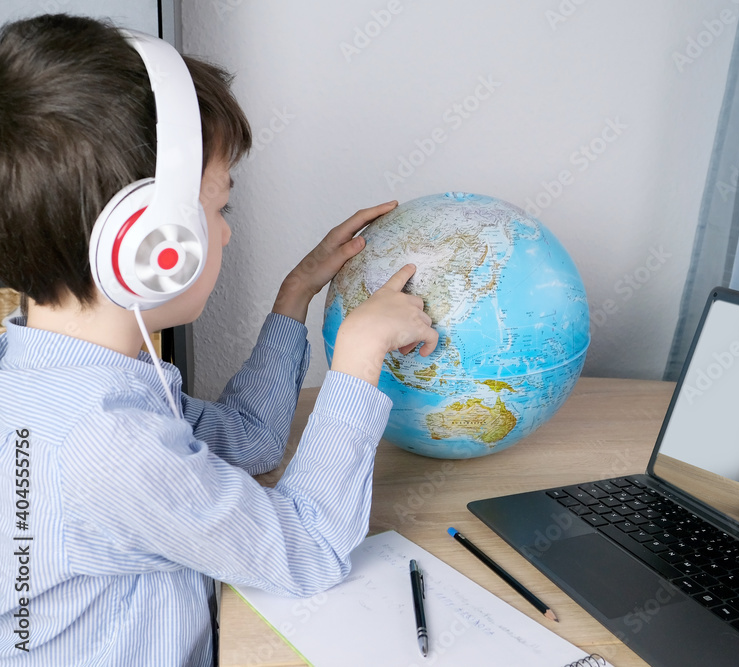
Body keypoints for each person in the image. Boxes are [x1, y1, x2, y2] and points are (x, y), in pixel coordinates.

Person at [0, 14, 437, 664]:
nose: (226, 232)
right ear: (153, 243)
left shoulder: (54, 374)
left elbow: (249, 441)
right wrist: (358, 355)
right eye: (219, 209)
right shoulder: (106, 444)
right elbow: (310, 548)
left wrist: (296, 294)